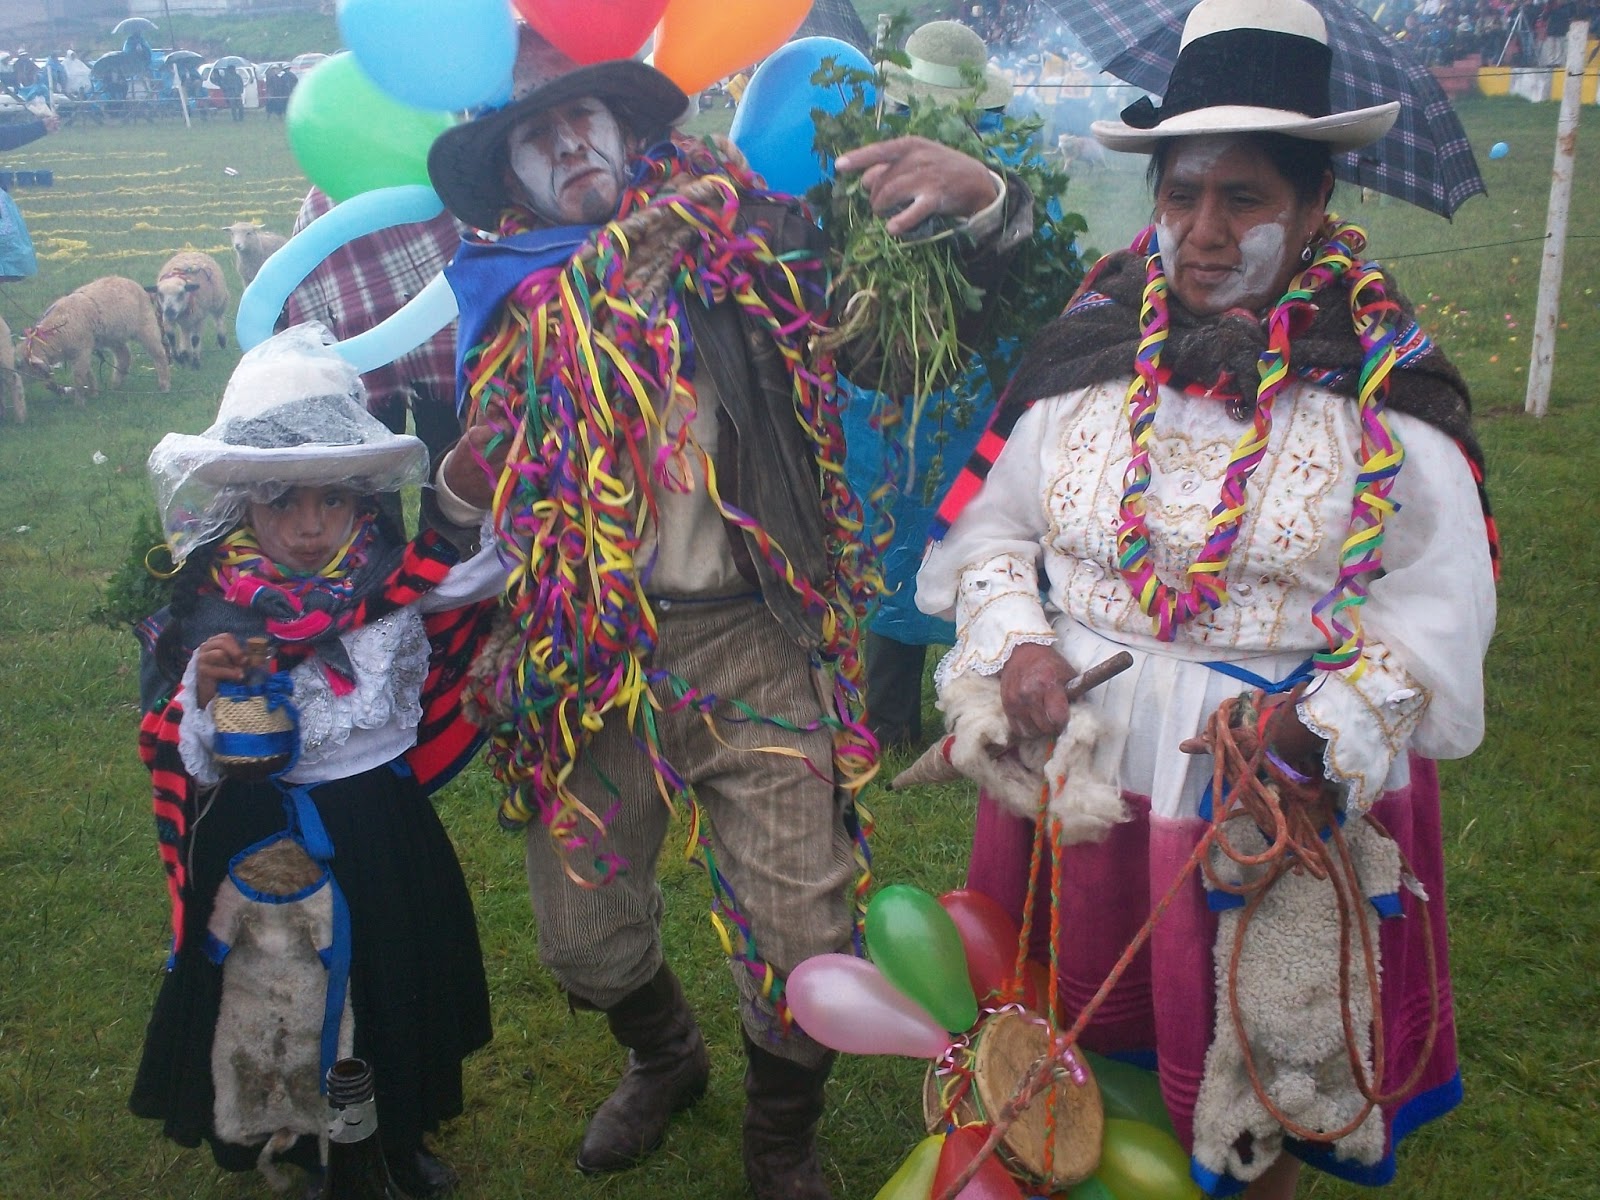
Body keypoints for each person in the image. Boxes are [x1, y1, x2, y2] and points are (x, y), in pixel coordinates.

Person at [423, 25, 1029, 1200]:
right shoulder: (502, 307)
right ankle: (665, 1057)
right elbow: (454, 523)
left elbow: (893, 352)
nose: (566, 143)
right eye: (536, 138)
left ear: (626, 130)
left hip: (752, 629)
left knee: (806, 935)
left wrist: (980, 207)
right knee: (581, 943)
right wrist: (460, 486)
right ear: (513, 181)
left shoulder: (749, 246)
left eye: (580, 119)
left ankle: (779, 1138)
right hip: (591, 654)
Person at [916, 1, 1495, 1197]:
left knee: (1246, 1081)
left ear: (1316, 203)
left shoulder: (1382, 386)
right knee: (1068, 1053)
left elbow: (1439, 609)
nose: (1202, 232)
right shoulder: (1090, 343)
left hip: (1262, 786)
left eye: (1244, 200)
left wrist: (1314, 733)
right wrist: (1019, 648)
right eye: (1181, 195)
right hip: (1085, 772)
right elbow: (992, 534)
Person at [128, 325, 504, 1198]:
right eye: (281, 502)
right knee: (280, 991)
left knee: (390, 978)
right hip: (266, 838)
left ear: (361, 502)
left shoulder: (388, 581)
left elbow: (470, 568)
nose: (308, 526)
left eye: (331, 502)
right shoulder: (211, 608)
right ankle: (302, 1144)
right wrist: (205, 696)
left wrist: (466, 487)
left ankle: (397, 1130)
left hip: (382, 827)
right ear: (244, 504)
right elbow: (190, 756)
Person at [848, 17, 1018, 749]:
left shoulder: (1001, 180)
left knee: (959, 531)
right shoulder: (887, 180)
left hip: (965, 387)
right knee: (914, 529)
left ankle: (963, 709)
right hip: (901, 386)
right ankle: (903, 716)